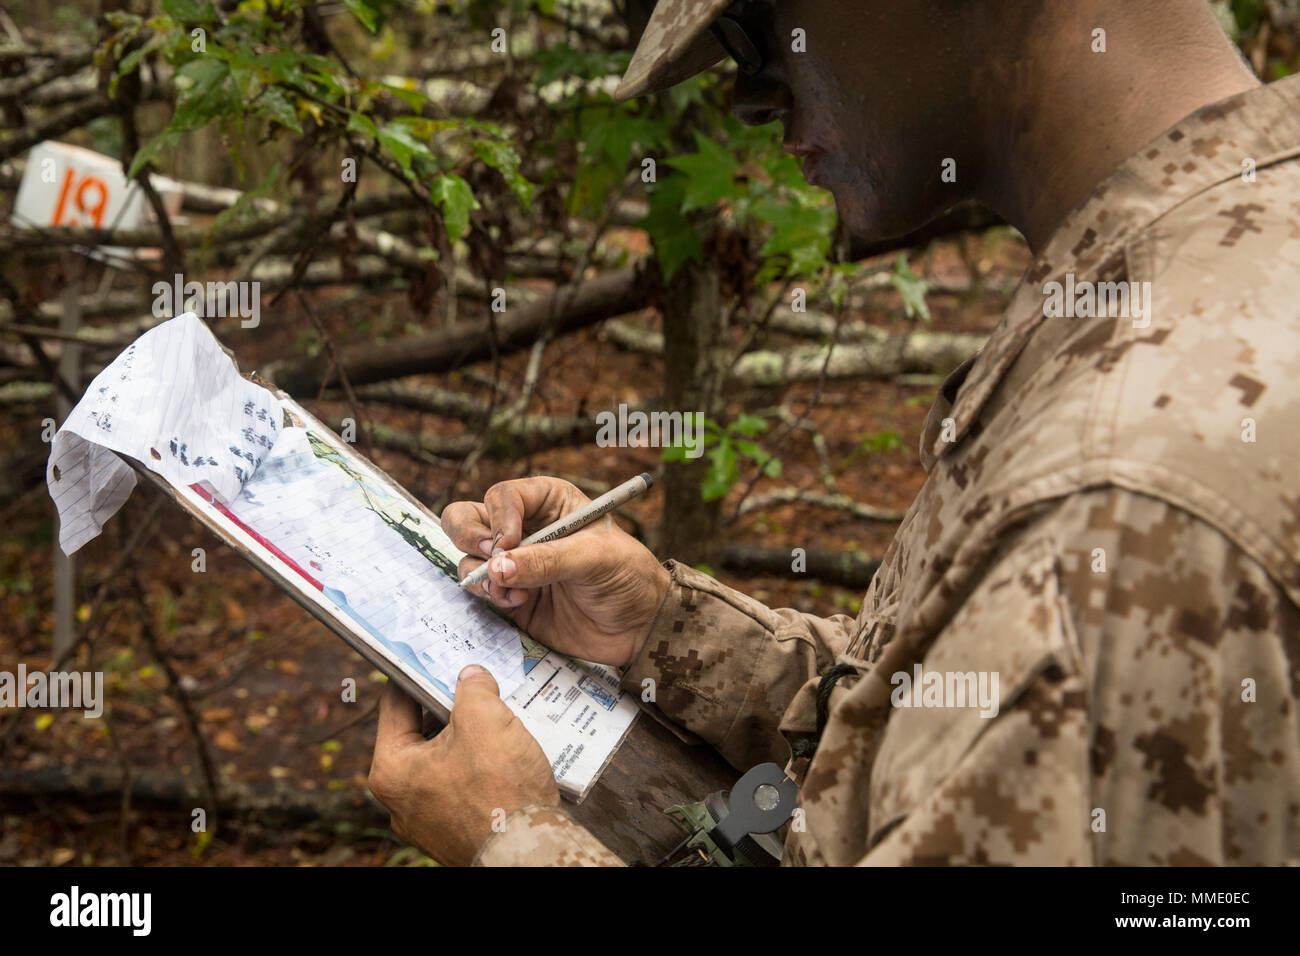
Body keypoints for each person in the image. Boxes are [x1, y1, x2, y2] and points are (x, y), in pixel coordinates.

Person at [367, 0, 1300, 866]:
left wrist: (514, 842)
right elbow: (946, 716)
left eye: (758, 29)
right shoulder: (1198, 277)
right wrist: (667, 627)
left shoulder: (1113, 490)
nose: (748, 95)